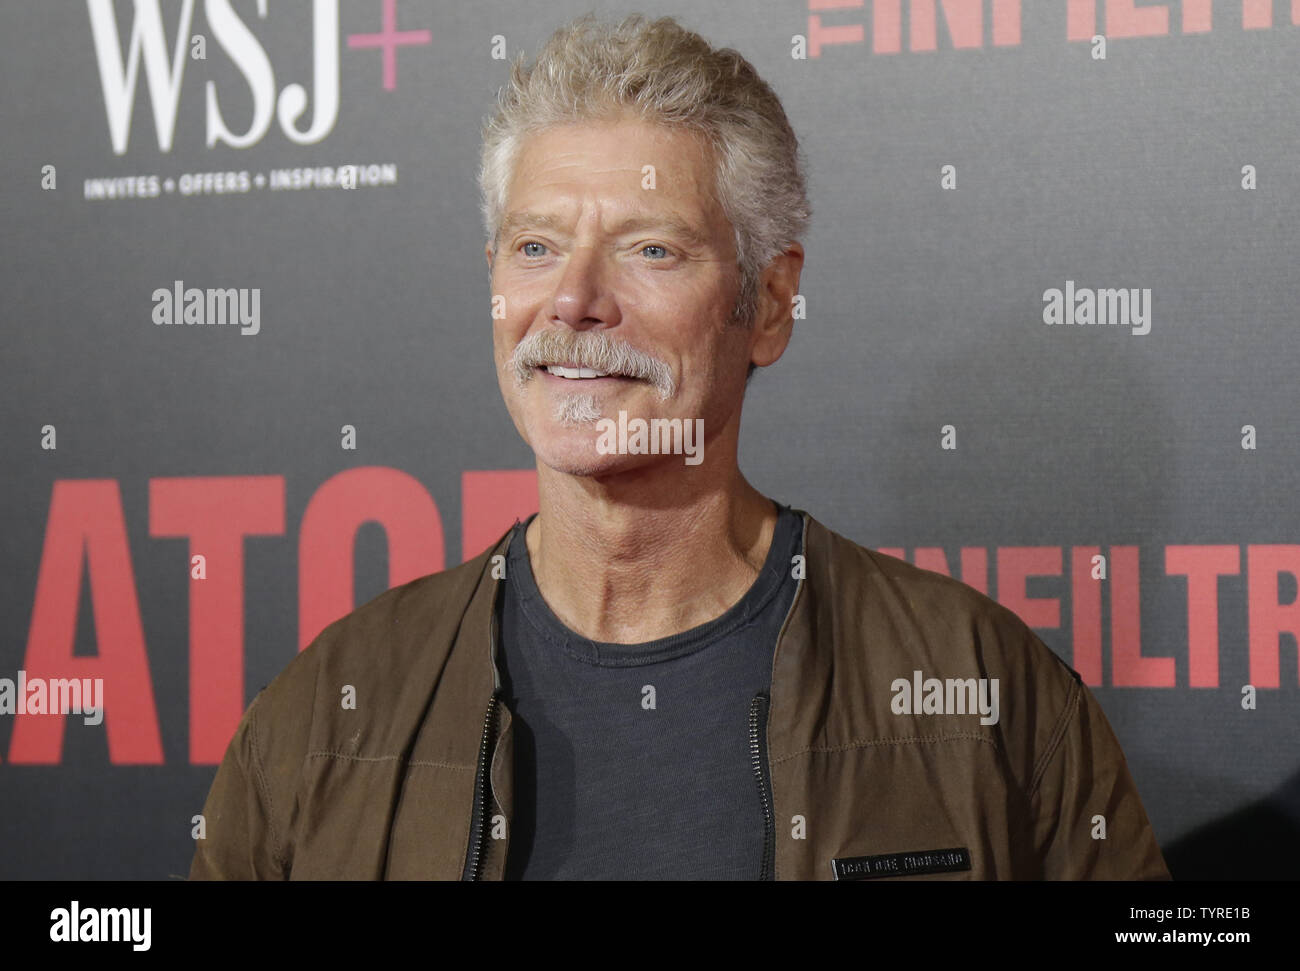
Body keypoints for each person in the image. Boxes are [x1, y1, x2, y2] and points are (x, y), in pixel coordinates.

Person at [190, 12, 1169, 881]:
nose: (572, 301)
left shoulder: (986, 701)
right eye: (534, 246)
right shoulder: (326, 715)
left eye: (650, 248)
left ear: (770, 303)